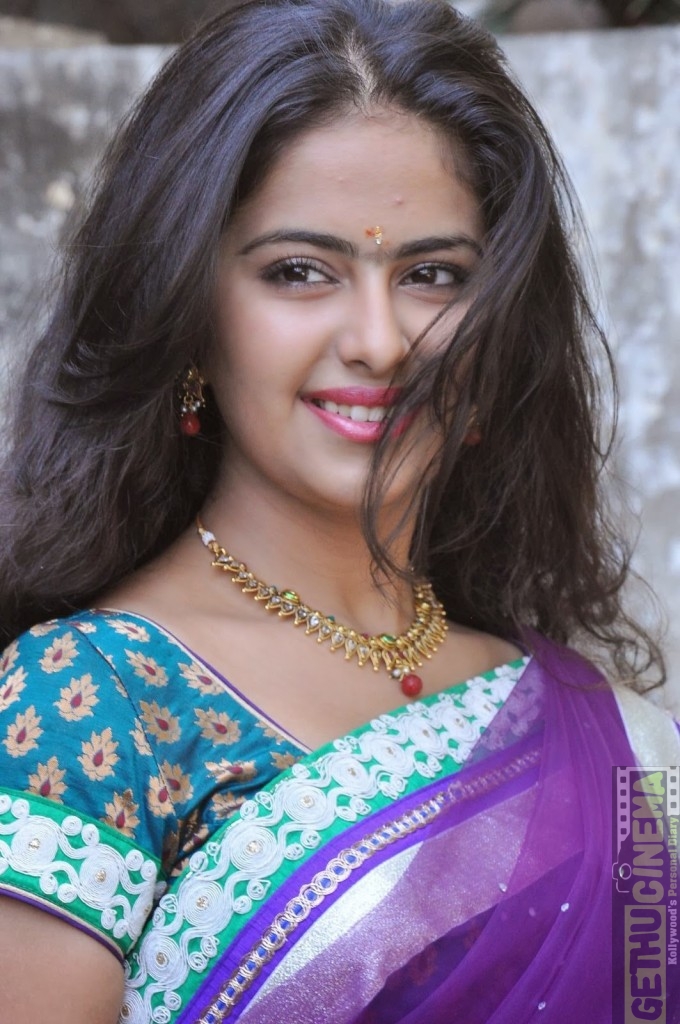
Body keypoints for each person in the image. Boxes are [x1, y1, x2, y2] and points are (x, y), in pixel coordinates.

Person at [0, 0, 678, 1021]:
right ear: (187, 312)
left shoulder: (586, 724)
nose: (378, 340)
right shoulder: (89, 702)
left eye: (432, 275)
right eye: (298, 272)